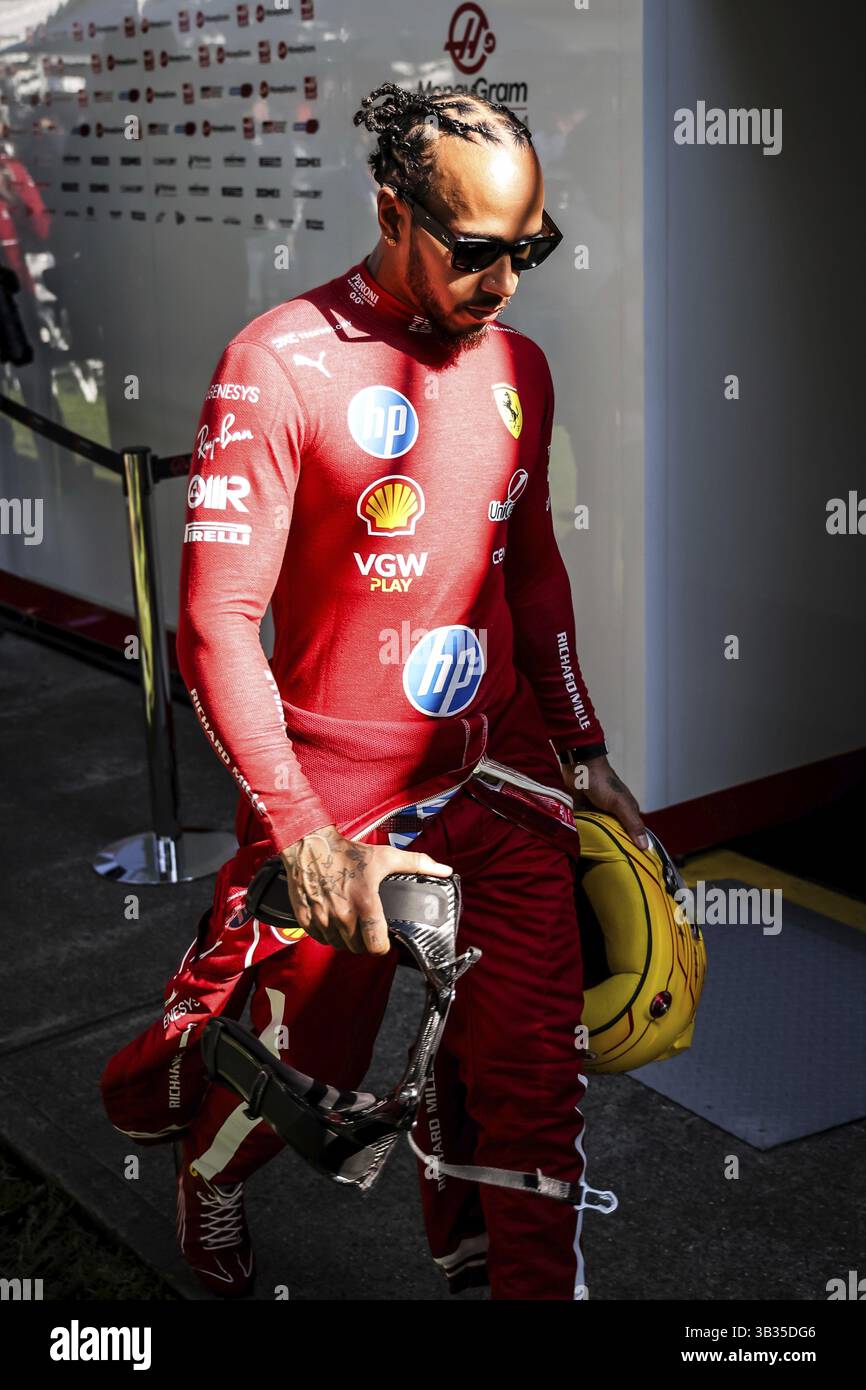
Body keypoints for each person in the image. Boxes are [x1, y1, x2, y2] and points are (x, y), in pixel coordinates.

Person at [105, 82, 647, 1301]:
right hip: (336, 808)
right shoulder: (277, 362)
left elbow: (533, 567)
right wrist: (300, 840)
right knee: (310, 1086)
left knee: (528, 1081)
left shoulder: (521, 364)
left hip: (495, 780)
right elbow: (213, 627)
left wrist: (581, 747)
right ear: (391, 211)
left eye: (531, 250)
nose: (505, 281)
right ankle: (210, 1177)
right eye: (475, 252)